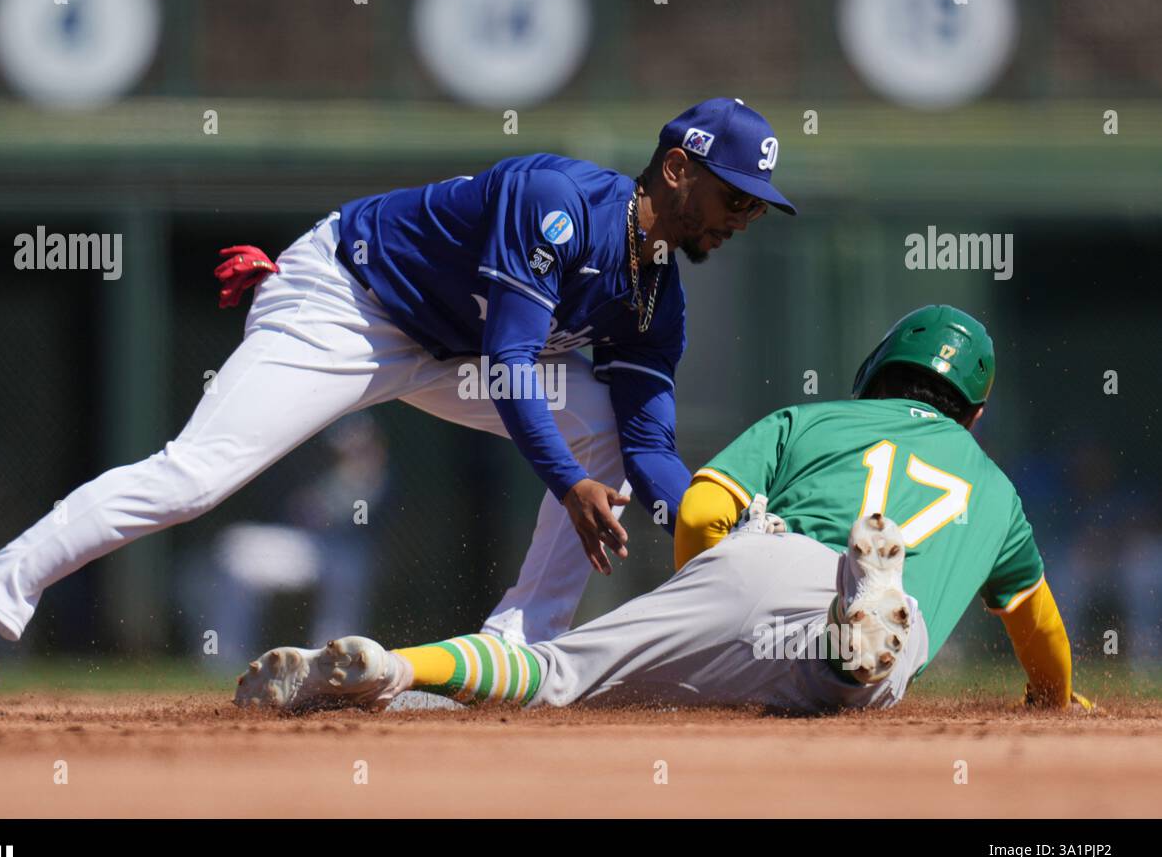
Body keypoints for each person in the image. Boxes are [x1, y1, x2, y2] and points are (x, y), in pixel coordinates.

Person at [0, 97, 796, 715]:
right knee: (194, 478)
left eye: (758, 208)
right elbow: (514, 362)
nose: (744, 217)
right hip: (347, 306)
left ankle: (512, 651)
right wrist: (567, 485)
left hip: (449, 354)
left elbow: (643, 441)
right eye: (735, 196)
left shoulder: (657, 299)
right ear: (679, 169)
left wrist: (708, 515)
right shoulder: (561, 203)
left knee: (601, 416)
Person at [234, 306, 1095, 715]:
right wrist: (1056, 699)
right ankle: (854, 631)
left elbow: (701, 512)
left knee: (556, 673)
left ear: (873, 374)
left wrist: (713, 594)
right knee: (850, 676)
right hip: (866, 626)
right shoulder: (1000, 493)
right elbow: (1039, 629)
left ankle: (394, 668)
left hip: (754, 562)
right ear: (974, 414)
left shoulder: (811, 418)